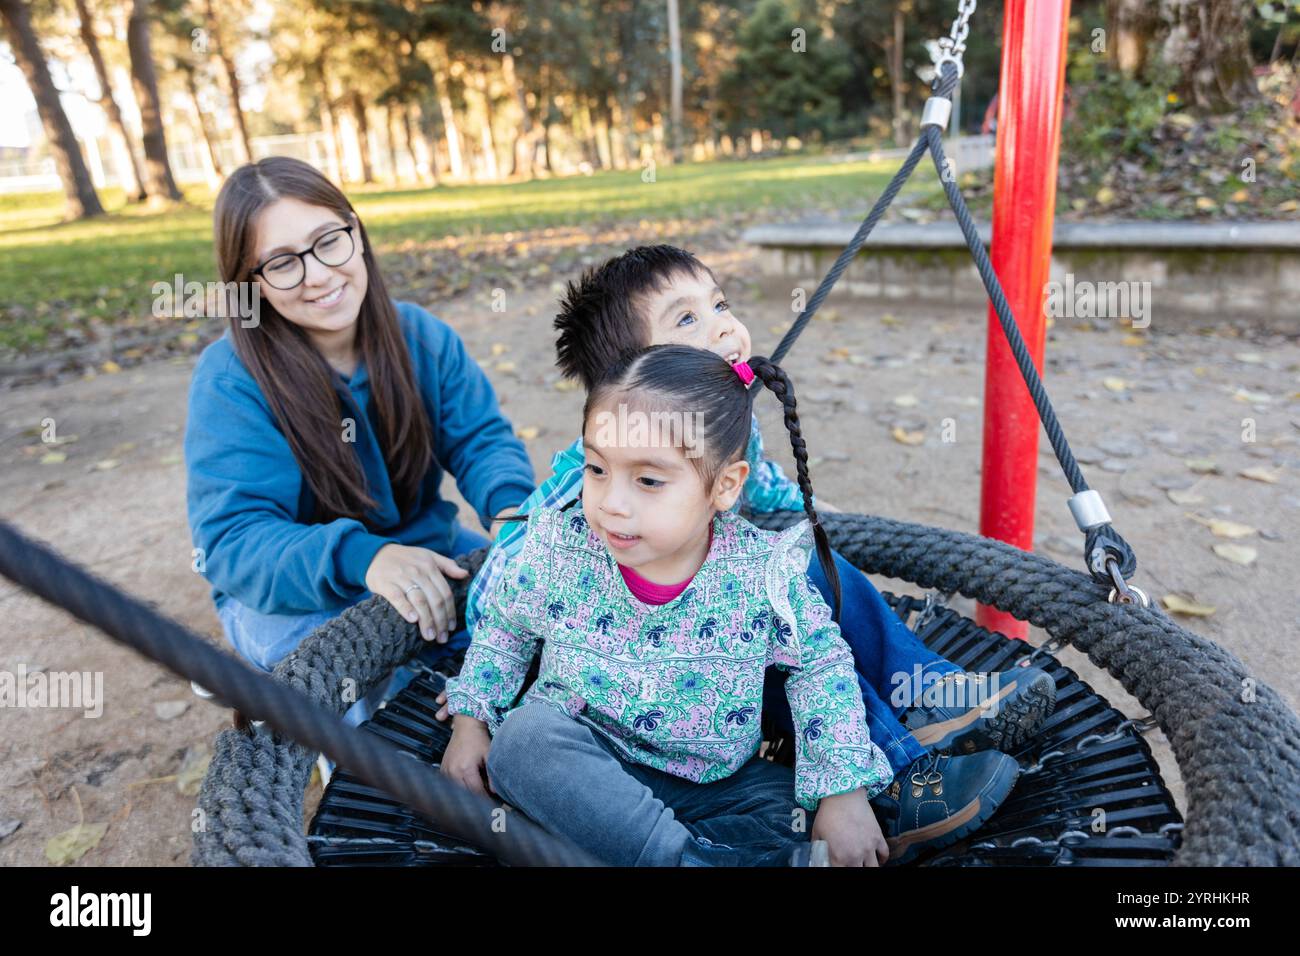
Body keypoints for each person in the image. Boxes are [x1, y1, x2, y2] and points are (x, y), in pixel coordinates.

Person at [437, 244, 1056, 860]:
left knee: (813, 574)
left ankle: (919, 706)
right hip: (592, 706)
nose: (724, 327)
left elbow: (810, 638)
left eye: (719, 304)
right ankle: (835, 797)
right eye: (687, 320)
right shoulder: (574, 524)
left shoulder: (749, 530)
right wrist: (474, 707)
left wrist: (836, 794)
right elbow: (509, 607)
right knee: (527, 744)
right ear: (634, 378)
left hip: (714, 734)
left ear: (719, 483)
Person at [184, 157, 534, 751]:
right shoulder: (232, 379)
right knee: (393, 703)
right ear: (251, 283)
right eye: (283, 263)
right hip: (294, 592)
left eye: (328, 242)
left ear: (356, 231)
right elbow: (233, 540)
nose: (318, 275)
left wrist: (508, 509)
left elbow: (482, 441)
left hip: (429, 552)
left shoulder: (421, 336)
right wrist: (364, 557)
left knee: (537, 624)